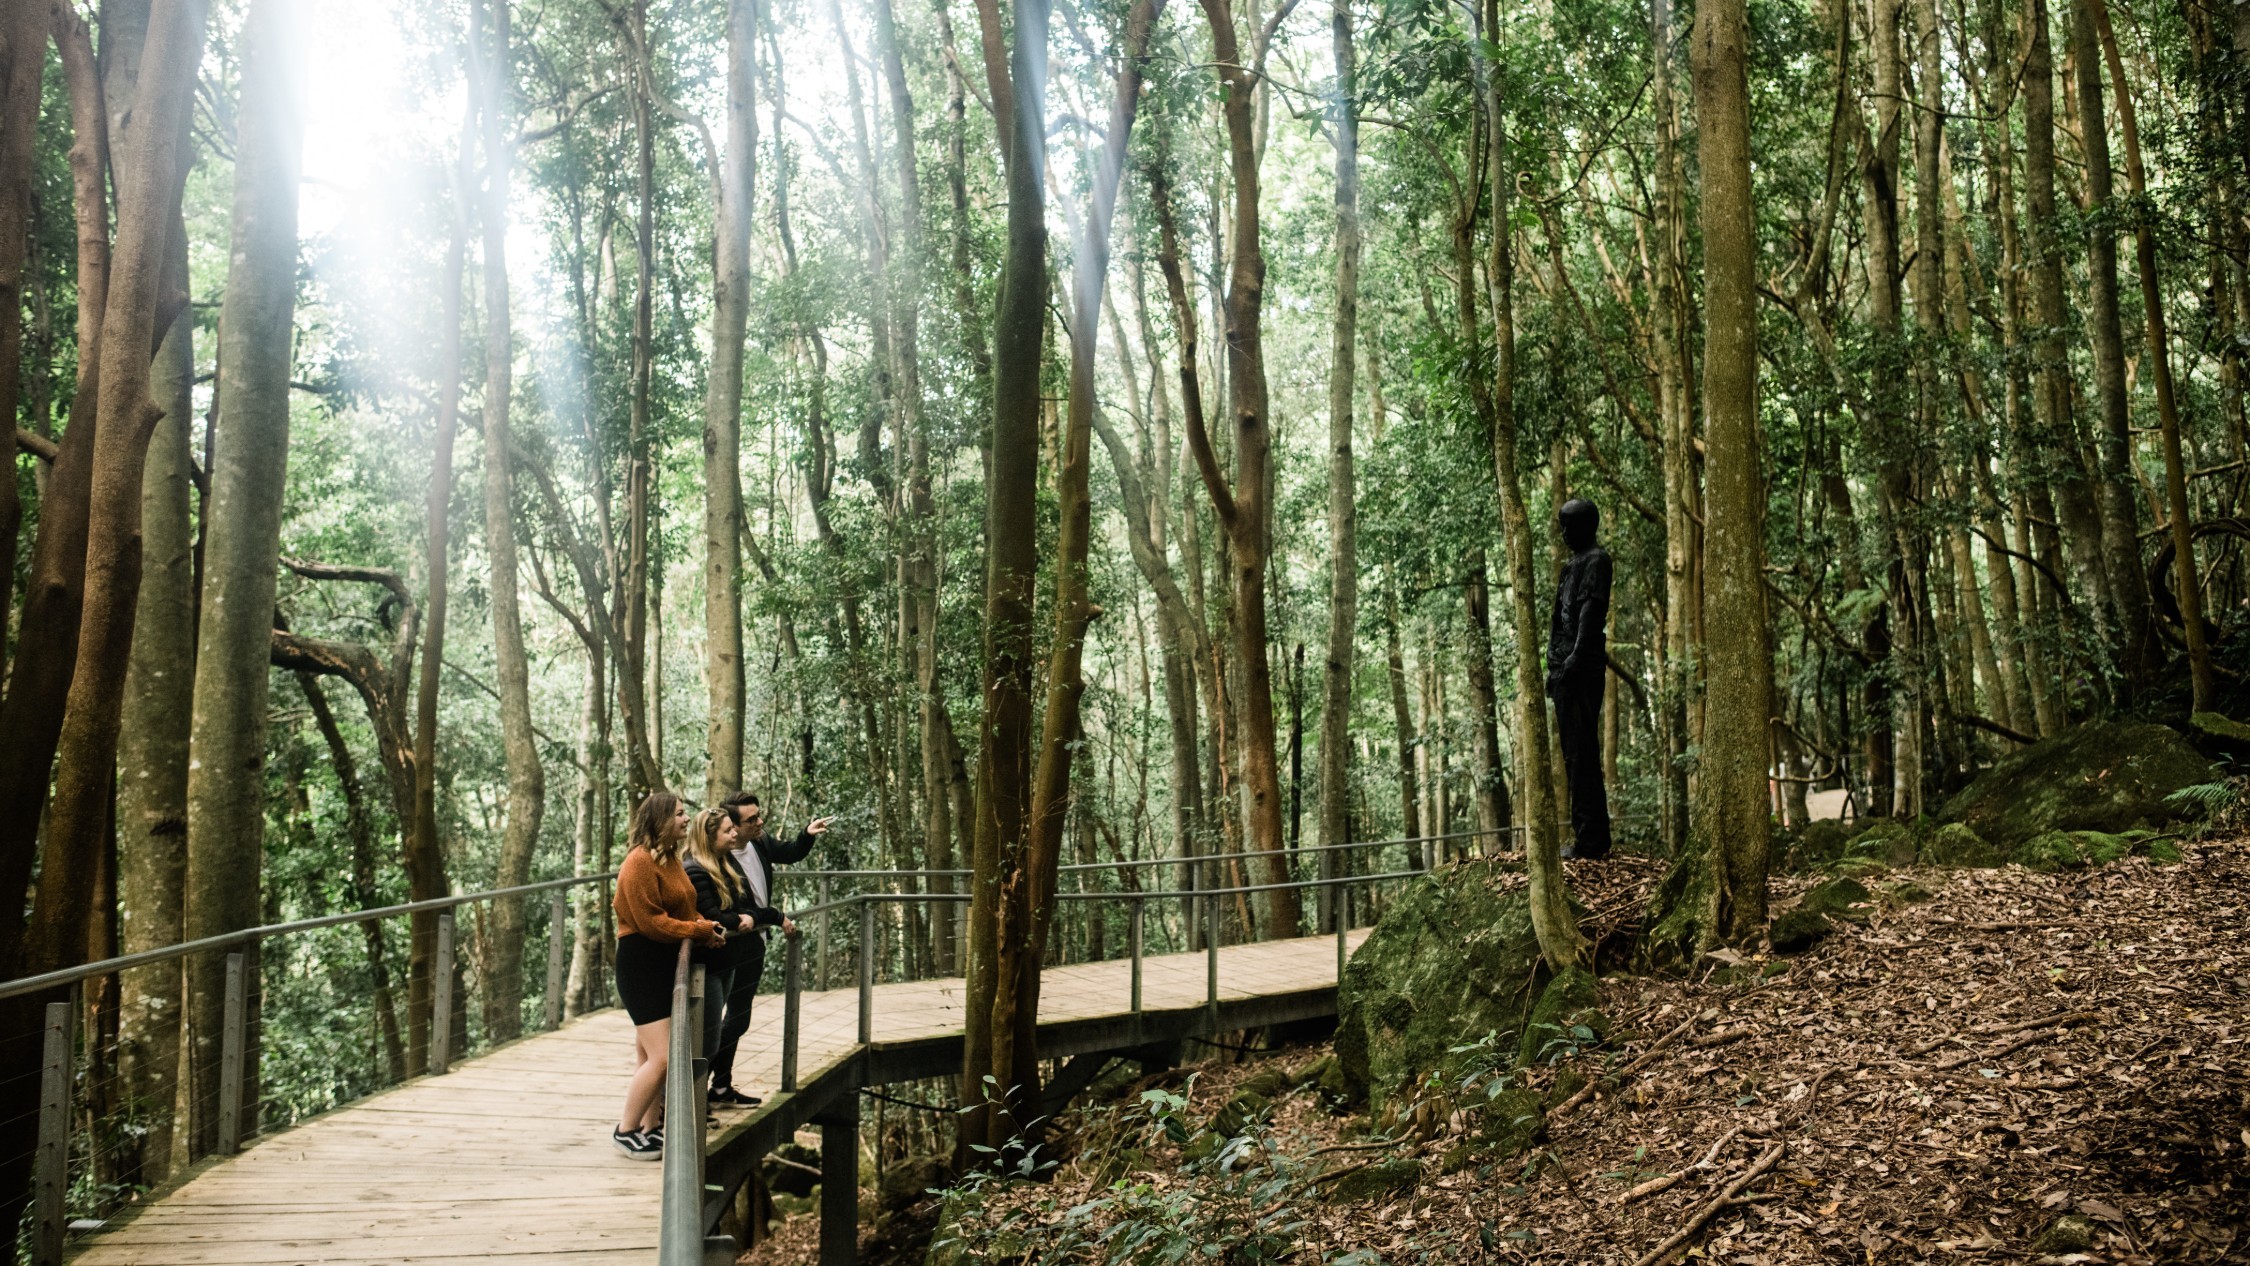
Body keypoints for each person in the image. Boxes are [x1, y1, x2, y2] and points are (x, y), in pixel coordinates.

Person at [610, 792, 726, 1159]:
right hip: (641, 963)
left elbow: (684, 909)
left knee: (648, 1054)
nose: (684, 818)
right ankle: (625, 1130)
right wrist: (698, 931)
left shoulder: (670, 858)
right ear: (660, 819)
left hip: (663, 962)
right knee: (662, 1056)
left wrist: (705, 926)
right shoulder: (639, 862)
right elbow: (651, 923)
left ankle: (650, 1125)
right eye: (678, 813)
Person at [702, 793, 828, 1106]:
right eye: (751, 820)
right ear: (733, 826)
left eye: (759, 816)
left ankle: (720, 1086)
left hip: (754, 942)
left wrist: (806, 835)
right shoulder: (718, 859)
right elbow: (738, 908)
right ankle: (697, 1086)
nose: (760, 823)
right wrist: (775, 916)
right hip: (728, 943)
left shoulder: (760, 842)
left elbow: (790, 852)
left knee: (739, 1017)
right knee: (713, 1023)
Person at [681, 807, 766, 1107]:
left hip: (727, 960)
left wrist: (749, 916)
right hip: (706, 965)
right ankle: (691, 1106)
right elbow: (713, 916)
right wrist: (738, 919)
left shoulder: (726, 864)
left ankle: (704, 1098)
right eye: (728, 830)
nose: (734, 834)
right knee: (707, 1038)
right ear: (708, 837)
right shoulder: (694, 869)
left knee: (714, 1035)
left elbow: (748, 906)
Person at [1545, 497, 1614, 860]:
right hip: (1563, 672)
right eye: (1562, 525)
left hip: (1581, 671)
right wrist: (1553, 665)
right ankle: (1586, 834)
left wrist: (1573, 659)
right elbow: (1560, 618)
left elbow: (1590, 612)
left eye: (1570, 525)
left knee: (1583, 753)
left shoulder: (1596, 561)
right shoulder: (1569, 566)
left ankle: (1592, 839)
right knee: (1573, 756)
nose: (1565, 532)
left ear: (1587, 526)